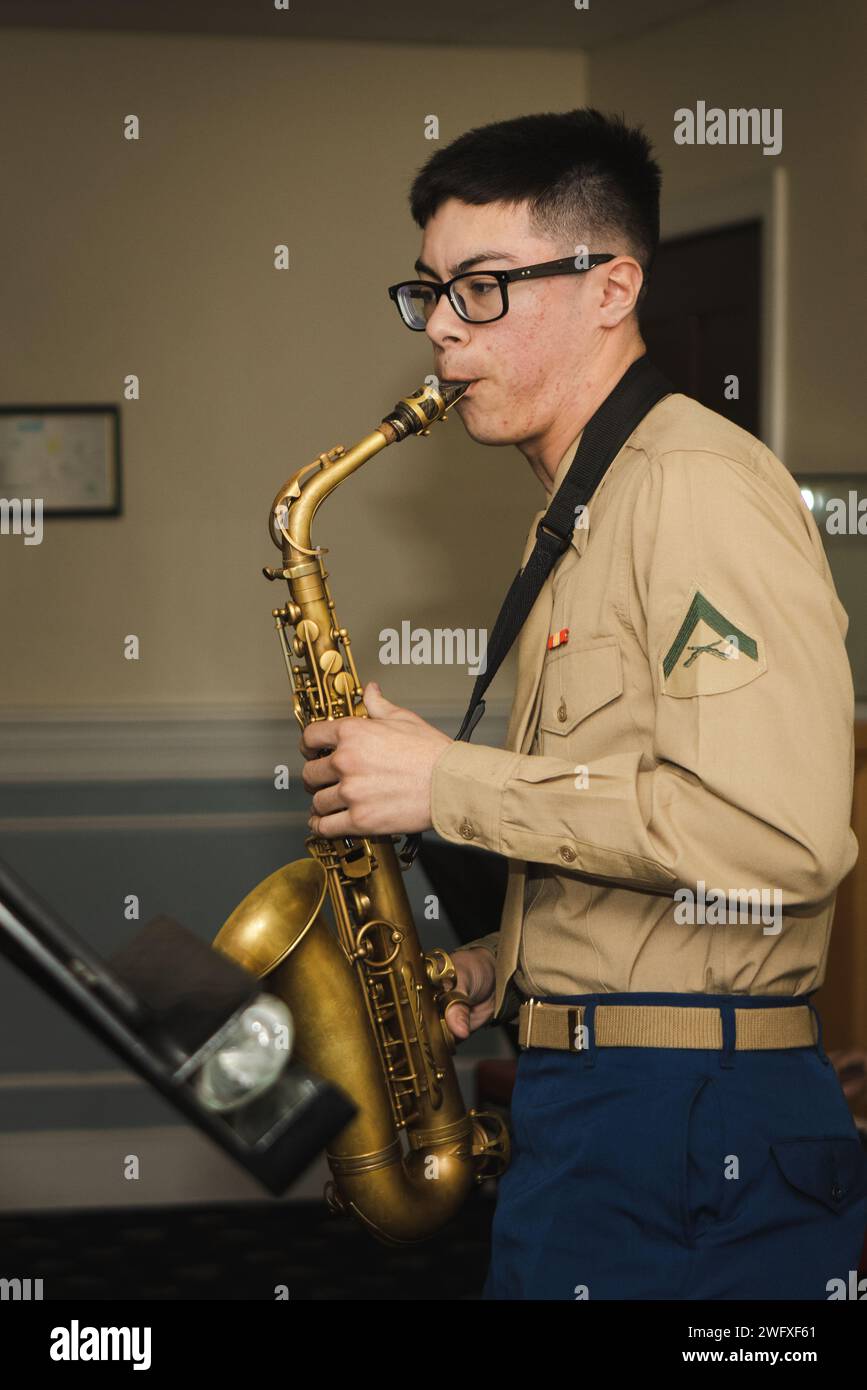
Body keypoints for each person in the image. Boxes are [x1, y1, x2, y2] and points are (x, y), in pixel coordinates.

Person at [300, 108, 867, 1300]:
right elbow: (656, 841)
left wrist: (444, 782)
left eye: (484, 288)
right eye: (431, 293)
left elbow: (777, 839)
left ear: (612, 288)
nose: (444, 331)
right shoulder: (585, 504)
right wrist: (501, 968)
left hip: (683, 1118)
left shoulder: (696, 489)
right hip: (617, 1102)